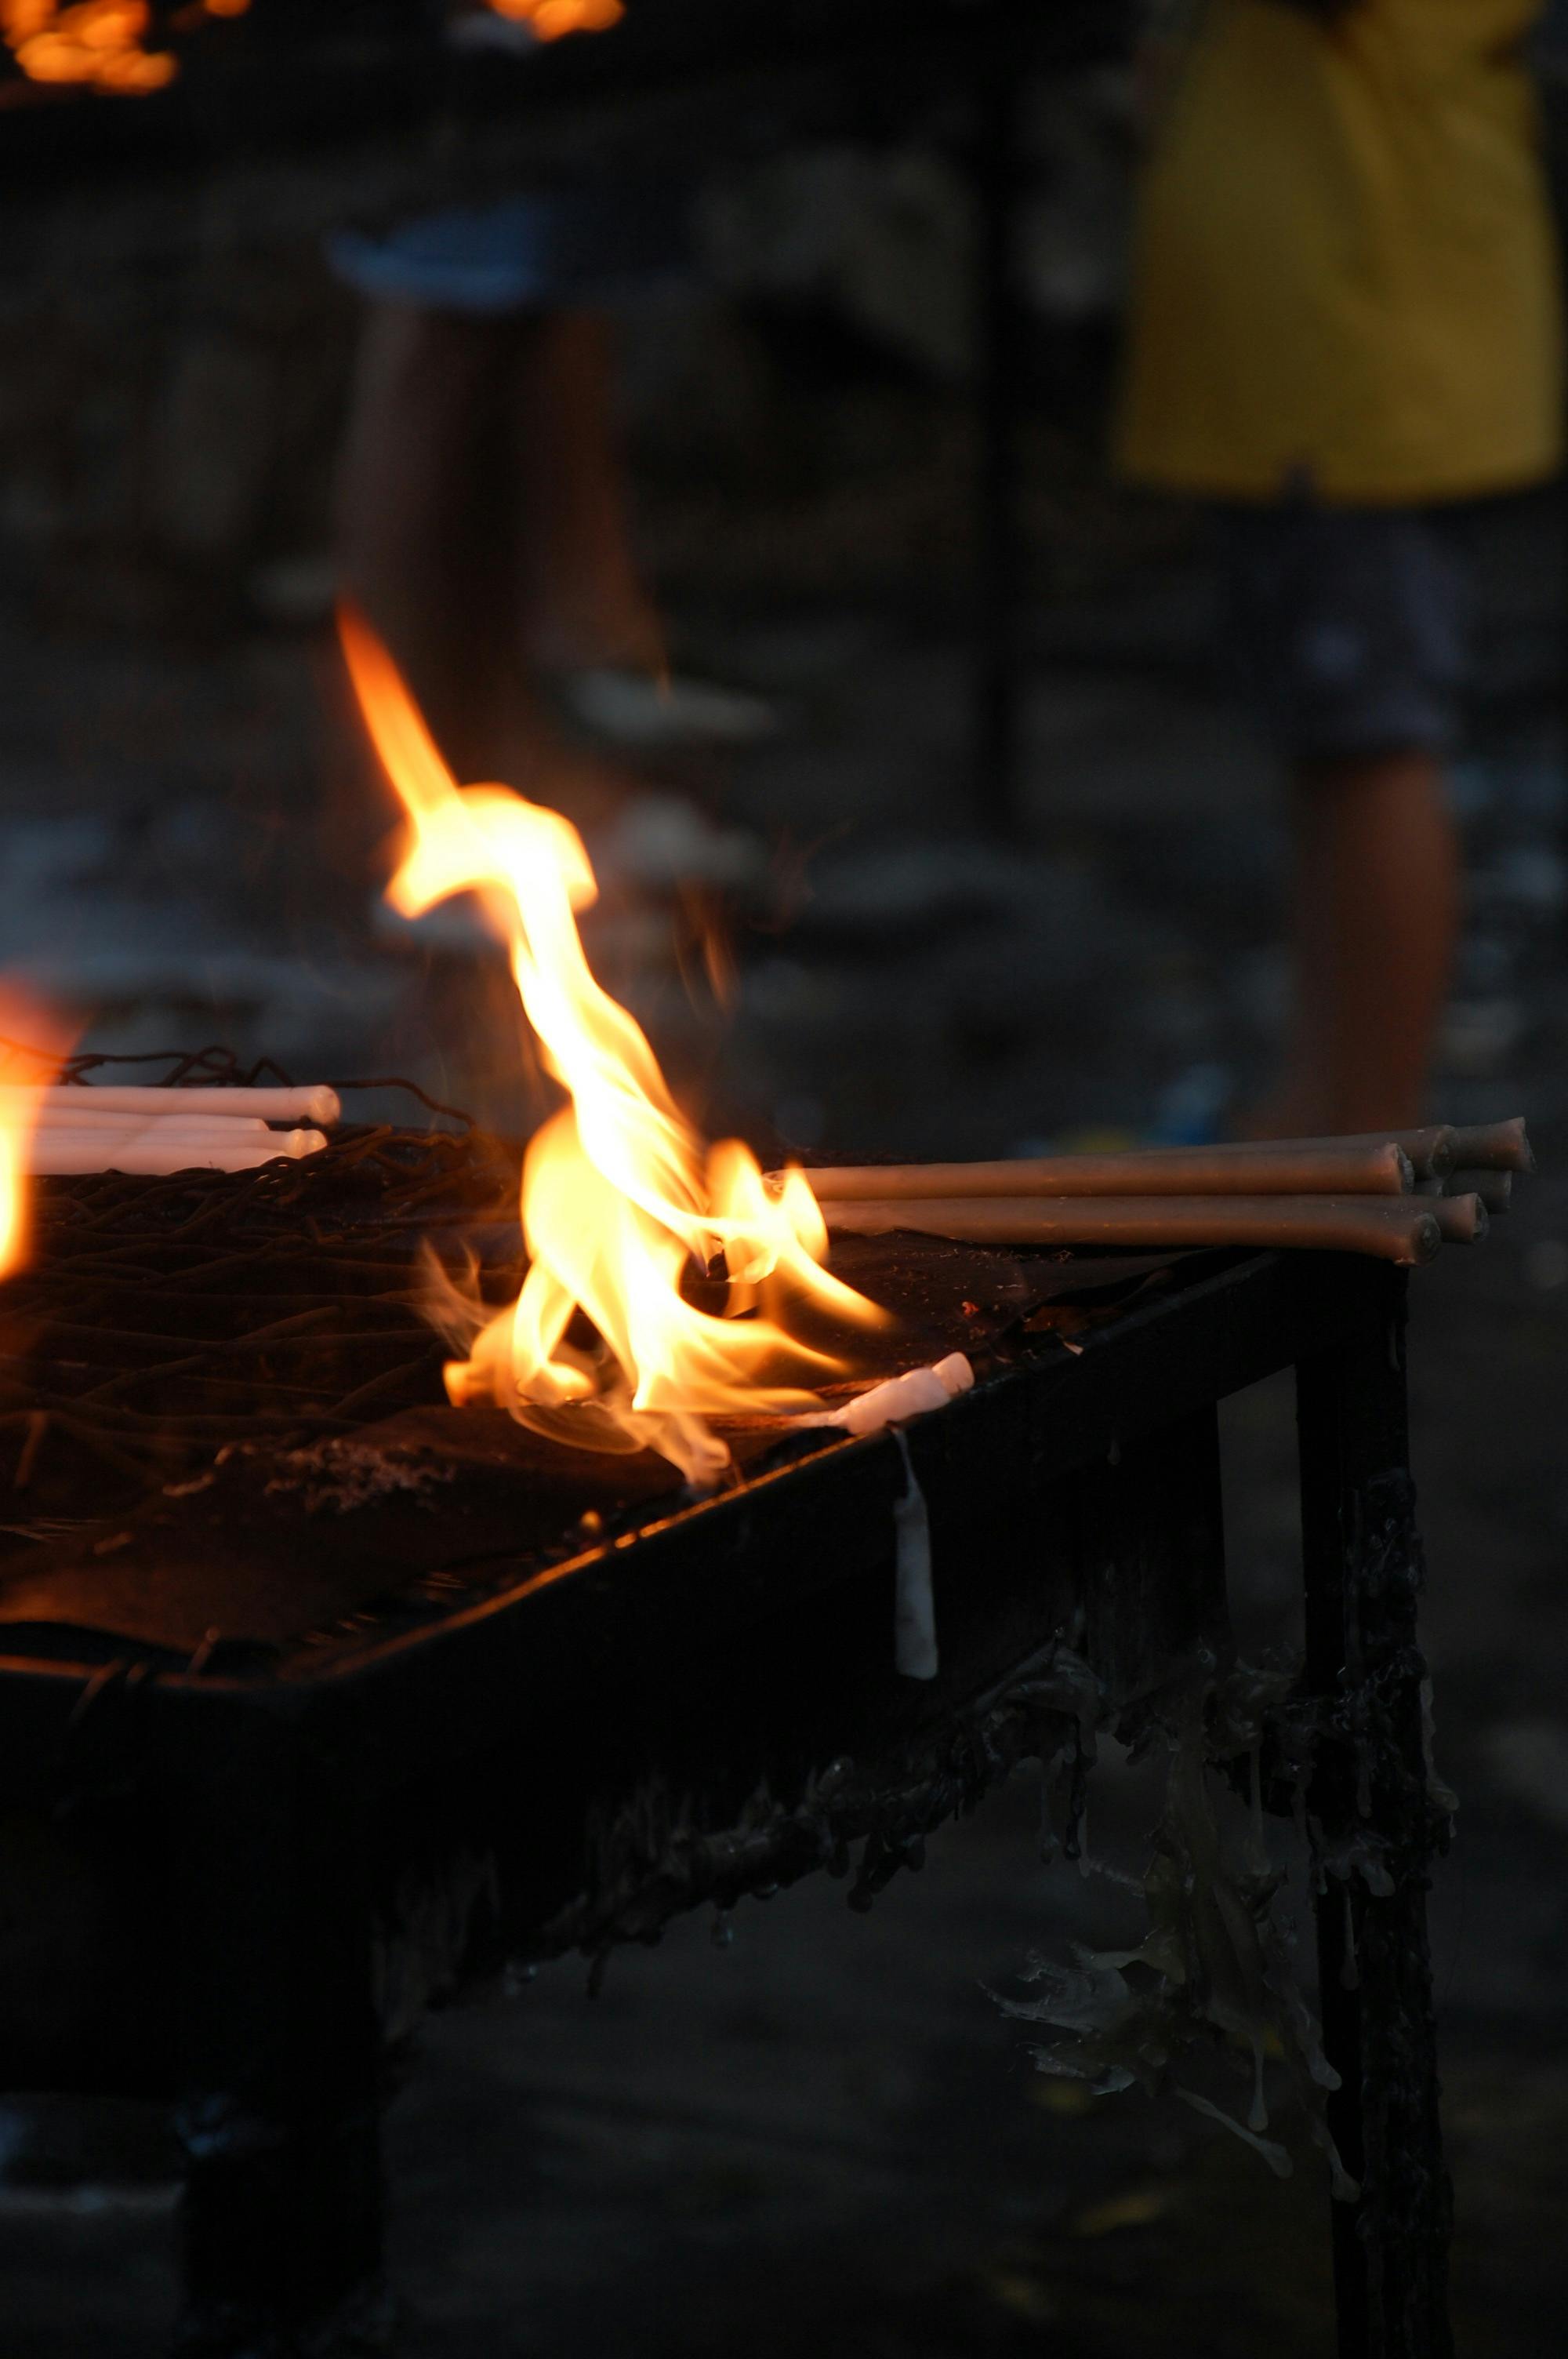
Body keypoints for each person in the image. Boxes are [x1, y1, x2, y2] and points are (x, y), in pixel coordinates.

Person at [1116, 0, 1564, 1134]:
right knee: (1336, 744)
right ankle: (1322, 1114)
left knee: (1371, 740)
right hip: (1330, 334)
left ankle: (1363, 1128)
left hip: (1358, 336)